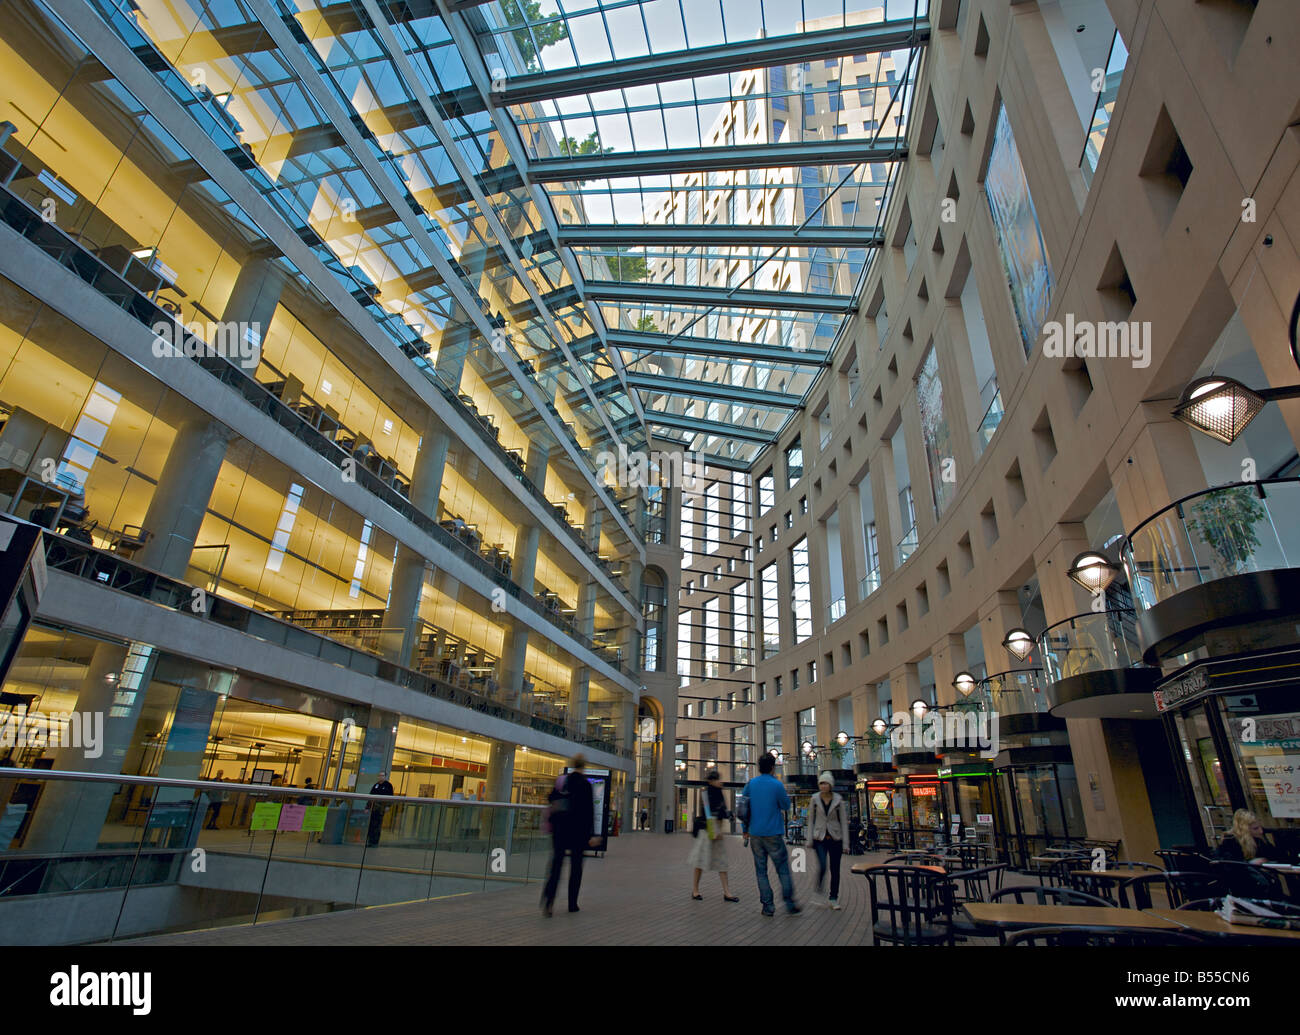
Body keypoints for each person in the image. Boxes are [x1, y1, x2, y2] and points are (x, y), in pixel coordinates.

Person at [741, 753, 799, 917]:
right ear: (773, 767)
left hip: (755, 834)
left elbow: (743, 809)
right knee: (783, 869)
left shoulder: (751, 784)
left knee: (761, 871)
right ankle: (789, 902)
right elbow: (786, 805)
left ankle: (768, 906)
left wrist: (745, 829)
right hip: (774, 833)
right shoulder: (776, 785)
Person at [541, 754, 599, 917]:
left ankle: (549, 902)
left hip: (560, 830)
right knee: (576, 867)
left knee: (556, 865)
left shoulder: (562, 781)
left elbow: (551, 798)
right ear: (584, 766)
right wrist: (592, 834)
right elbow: (589, 812)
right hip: (578, 832)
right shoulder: (586, 785)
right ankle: (572, 903)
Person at [688, 770, 739, 902]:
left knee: (721, 861)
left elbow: (722, 812)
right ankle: (695, 890)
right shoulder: (705, 794)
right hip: (707, 830)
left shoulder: (719, 793)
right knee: (700, 861)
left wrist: (725, 821)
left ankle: (727, 892)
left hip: (716, 830)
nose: (719, 781)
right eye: (716, 779)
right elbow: (707, 813)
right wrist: (714, 831)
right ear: (711, 781)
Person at [809, 772, 849, 909]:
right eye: (821, 783)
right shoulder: (814, 799)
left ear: (830, 785)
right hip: (819, 837)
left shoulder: (838, 800)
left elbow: (843, 822)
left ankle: (833, 897)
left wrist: (846, 843)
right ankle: (819, 890)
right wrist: (809, 839)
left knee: (835, 868)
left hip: (835, 837)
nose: (823, 786)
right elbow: (811, 820)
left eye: (825, 783)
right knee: (822, 865)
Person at [1217, 809, 1281, 864]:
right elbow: (1230, 863)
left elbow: (1275, 856)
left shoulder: (1258, 839)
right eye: (1255, 828)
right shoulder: (1230, 841)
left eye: (1261, 827)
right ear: (1245, 830)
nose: (1261, 831)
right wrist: (1250, 863)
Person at [367, 771, 394, 847]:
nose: (380, 777)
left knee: (377, 825)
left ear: (385, 777)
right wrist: (367, 807)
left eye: (382, 776)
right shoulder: (376, 785)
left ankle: (375, 842)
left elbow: (391, 797)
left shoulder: (388, 786)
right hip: (374, 808)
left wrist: (388, 806)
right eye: (379, 775)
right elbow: (370, 796)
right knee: (371, 825)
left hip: (381, 809)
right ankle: (370, 841)